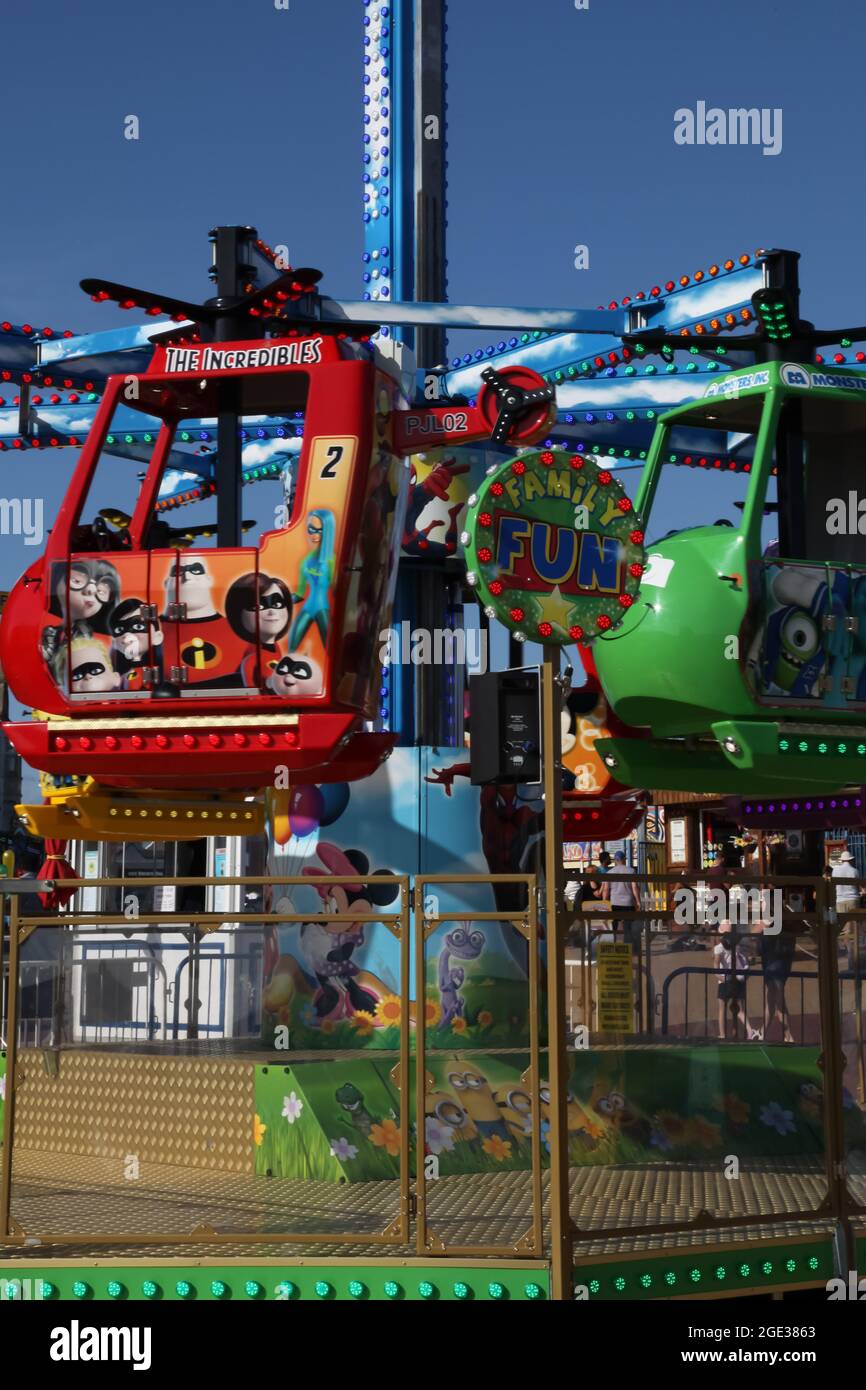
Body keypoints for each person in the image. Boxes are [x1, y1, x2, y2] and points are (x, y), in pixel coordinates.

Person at [714, 926, 750, 1040]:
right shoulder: (737, 946)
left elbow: (716, 963)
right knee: (739, 1009)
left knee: (722, 1008)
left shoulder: (718, 948)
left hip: (725, 979)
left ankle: (722, 1034)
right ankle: (750, 1030)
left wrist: (720, 977)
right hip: (738, 978)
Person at [602, 849, 642, 948]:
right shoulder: (631, 871)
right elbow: (634, 887)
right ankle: (627, 947)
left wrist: (604, 903)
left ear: (615, 860)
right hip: (628, 903)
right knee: (628, 927)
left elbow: (606, 890)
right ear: (624, 859)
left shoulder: (610, 873)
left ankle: (613, 945)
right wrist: (638, 901)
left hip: (614, 903)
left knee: (613, 926)